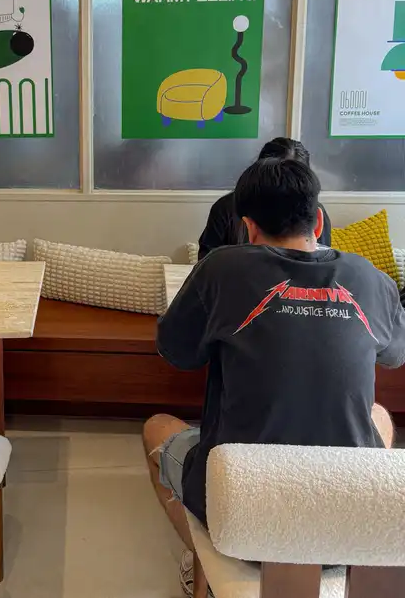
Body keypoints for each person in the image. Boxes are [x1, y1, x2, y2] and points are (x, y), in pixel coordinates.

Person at [145, 158, 405, 597]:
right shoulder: (370, 277)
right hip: (352, 521)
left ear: (247, 227)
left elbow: (176, 352)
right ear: (318, 221)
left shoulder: (221, 268)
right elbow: (395, 355)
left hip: (247, 520)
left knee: (156, 429)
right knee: (378, 413)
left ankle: (203, 556)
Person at [198, 137, 332, 260]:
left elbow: (323, 261)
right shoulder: (226, 208)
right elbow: (206, 260)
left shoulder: (314, 212)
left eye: (295, 182)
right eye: (275, 180)